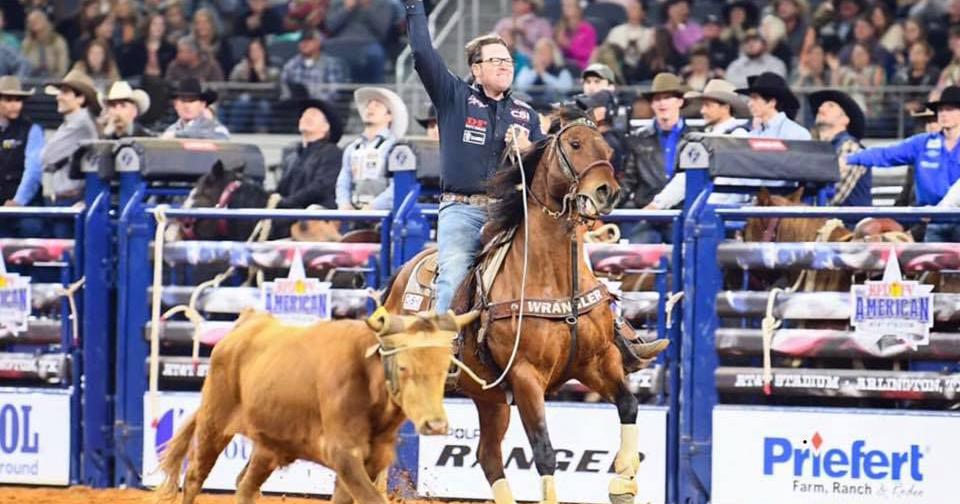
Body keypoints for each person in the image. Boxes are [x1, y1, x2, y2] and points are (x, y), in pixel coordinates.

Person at [403, 0, 664, 371]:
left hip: (513, 209)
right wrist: (414, 8)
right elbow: (424, 53)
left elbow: (549, 171)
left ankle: (619, 335)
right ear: (475, 69)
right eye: (494, 60)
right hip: (463, 208)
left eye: (508, 60)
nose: (504, 65)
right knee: (455, 270)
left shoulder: (525, 114)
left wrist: (529, 149)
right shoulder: (454, 98)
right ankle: (444, 352)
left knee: (573, 260)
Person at [846, 86, 960, 242]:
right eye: (941, 110)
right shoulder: (921, 143)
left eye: (950, 109)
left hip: (950, 216)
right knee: (932, 261)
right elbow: (886, 154)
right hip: (929, 220)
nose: (943, 114)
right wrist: (850, 159)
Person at [645, 78, 750, 210]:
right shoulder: (707, 137)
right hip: (708, 209)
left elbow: (732, 181)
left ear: (725, 107)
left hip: (726, 211)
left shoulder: (738, 137)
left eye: (708, 105)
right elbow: (686, 177)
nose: (702, 111)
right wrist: (658, 204)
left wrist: (704, 208)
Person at [41, 70, 100, 237]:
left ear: (80, 99)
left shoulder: (80, 124)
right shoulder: (72, 123)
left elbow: (46, 157)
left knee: (67, 255)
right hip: (63, 199)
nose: (59, 96)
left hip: (71, 200)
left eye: (65, 92)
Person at [335, 87, 407, 211]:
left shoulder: (396, 148)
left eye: (377, 105)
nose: (370, 108)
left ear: (389, 116)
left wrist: (374, 206)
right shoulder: (352, 148)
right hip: (353, 212)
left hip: (383, 215)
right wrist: (344, 204)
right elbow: (343, 180)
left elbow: (399, 185)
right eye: (368, 106)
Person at [277, 98, 344, 210]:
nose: (307, 117)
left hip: (315, 217)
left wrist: (289, 202)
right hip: (289, 214)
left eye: (313, 115)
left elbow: (321, 187)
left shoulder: (332, 152)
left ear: (326, 127)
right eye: (304, 114)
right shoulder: (292, 157)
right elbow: (281, 190)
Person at [808, 89, 871, 207]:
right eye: (821, 106)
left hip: (848, 223)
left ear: (845, 119)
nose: (821, 109)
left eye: (830, 106)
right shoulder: (815, 147)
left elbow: (832, 199)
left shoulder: (851, 149)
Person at [0, 76, 45, 237]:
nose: (15, 105)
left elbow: (34, 170)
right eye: (9, 99)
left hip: (26, 207)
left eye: (18, 100)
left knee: (30, 232)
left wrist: (18, 201)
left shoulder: (32, 130)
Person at [735, 72, 810, 140]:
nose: (750, 104)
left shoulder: (796, 133)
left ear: (771, 102)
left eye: (755, 98)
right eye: (750, 99)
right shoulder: (753, 134)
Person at [161, 78, 230, 140]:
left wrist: (177, 135)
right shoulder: (171, 130)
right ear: (175, 105)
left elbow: (223, 136)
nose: (187, 105)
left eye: (192, 100)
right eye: (183, 100)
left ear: (202, 105)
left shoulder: (214, 128)